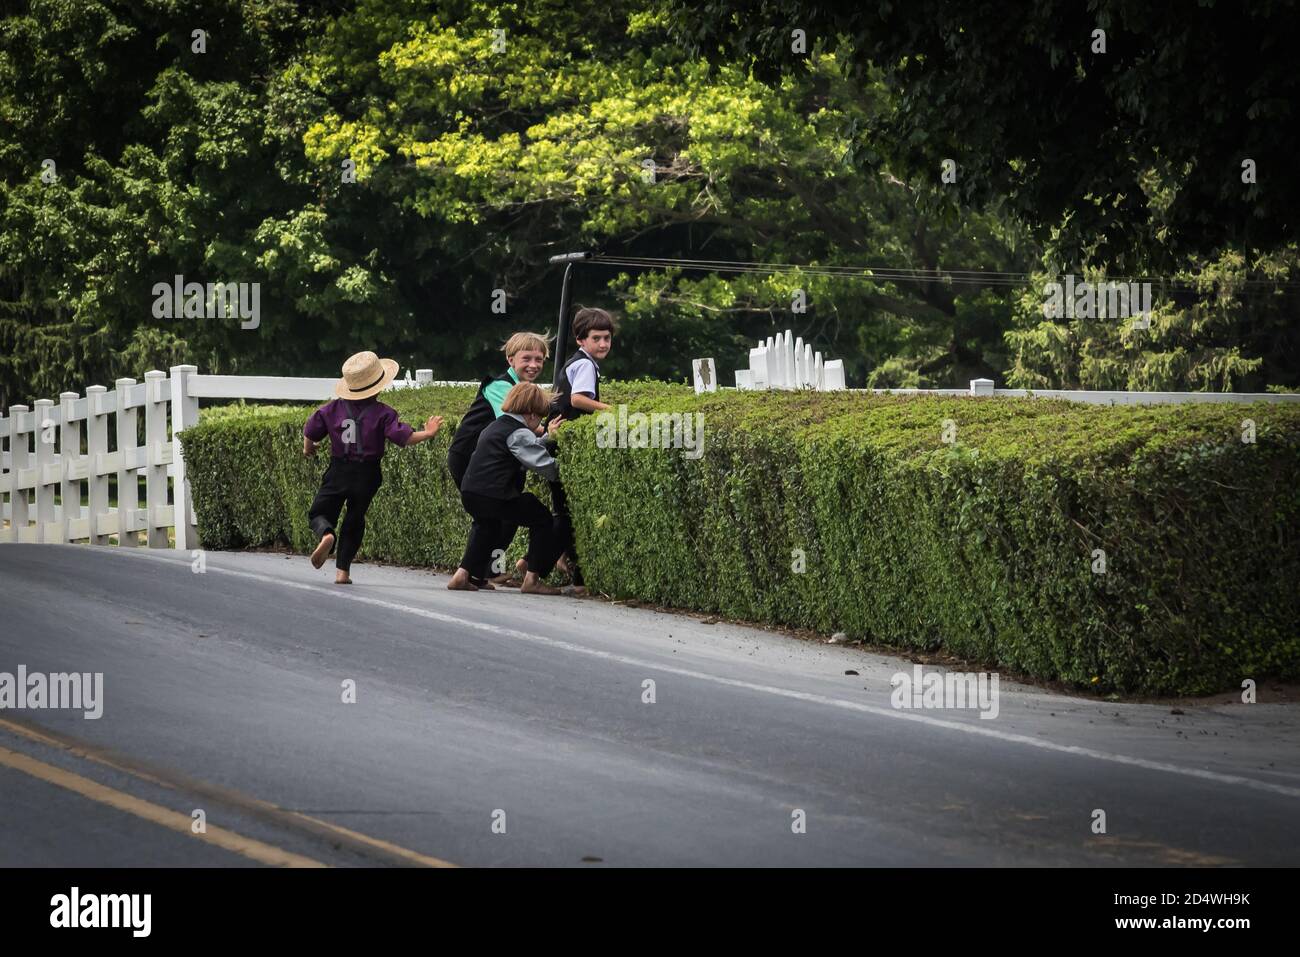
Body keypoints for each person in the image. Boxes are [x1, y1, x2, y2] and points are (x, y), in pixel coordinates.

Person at [303, 351, 442, 584]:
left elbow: (310, 430)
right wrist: (428, 432)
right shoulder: (383, 413)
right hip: (367, 473)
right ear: (378, 386)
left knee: (318, 513)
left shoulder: (331, 409)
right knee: (355, 519)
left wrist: (308, 448)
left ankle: (327, 534)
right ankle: (342, 572)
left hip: (339, 469)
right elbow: (404, 438)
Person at [445, 332, 550, 587]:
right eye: (527, 358)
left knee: (491, 518)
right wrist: (549, 432)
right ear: (510, 359)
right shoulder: (500, 386)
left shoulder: (525, 388)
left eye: (540, 359)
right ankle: (483, 572)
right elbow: (523, 422)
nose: (534, 365)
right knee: (494, 513)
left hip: (498, 462)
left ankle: (477, 573)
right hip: (472, 460)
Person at [449, 382, 566, 595]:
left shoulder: (496, 425)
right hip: (494, 494)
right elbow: (542, 464)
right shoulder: (519, 433)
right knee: (542, 518)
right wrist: (565, 472)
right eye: (539, 418)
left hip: (471, 491)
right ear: (531, 415)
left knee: (486, 527)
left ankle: (462, 575)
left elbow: (526, 447)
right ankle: (532, 579)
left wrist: (547, 437)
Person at [547, 307, 616, 592]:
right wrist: (613, 410)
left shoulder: (576, 363)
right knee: (568, 513)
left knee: (563, 510)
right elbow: (578, 400)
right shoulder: (585, 365)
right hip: (565, 447)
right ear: (580, 339)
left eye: (607, 338)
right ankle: (543, 563)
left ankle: (541, 561)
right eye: (596, 338)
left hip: (558, 443)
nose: (603, 344)